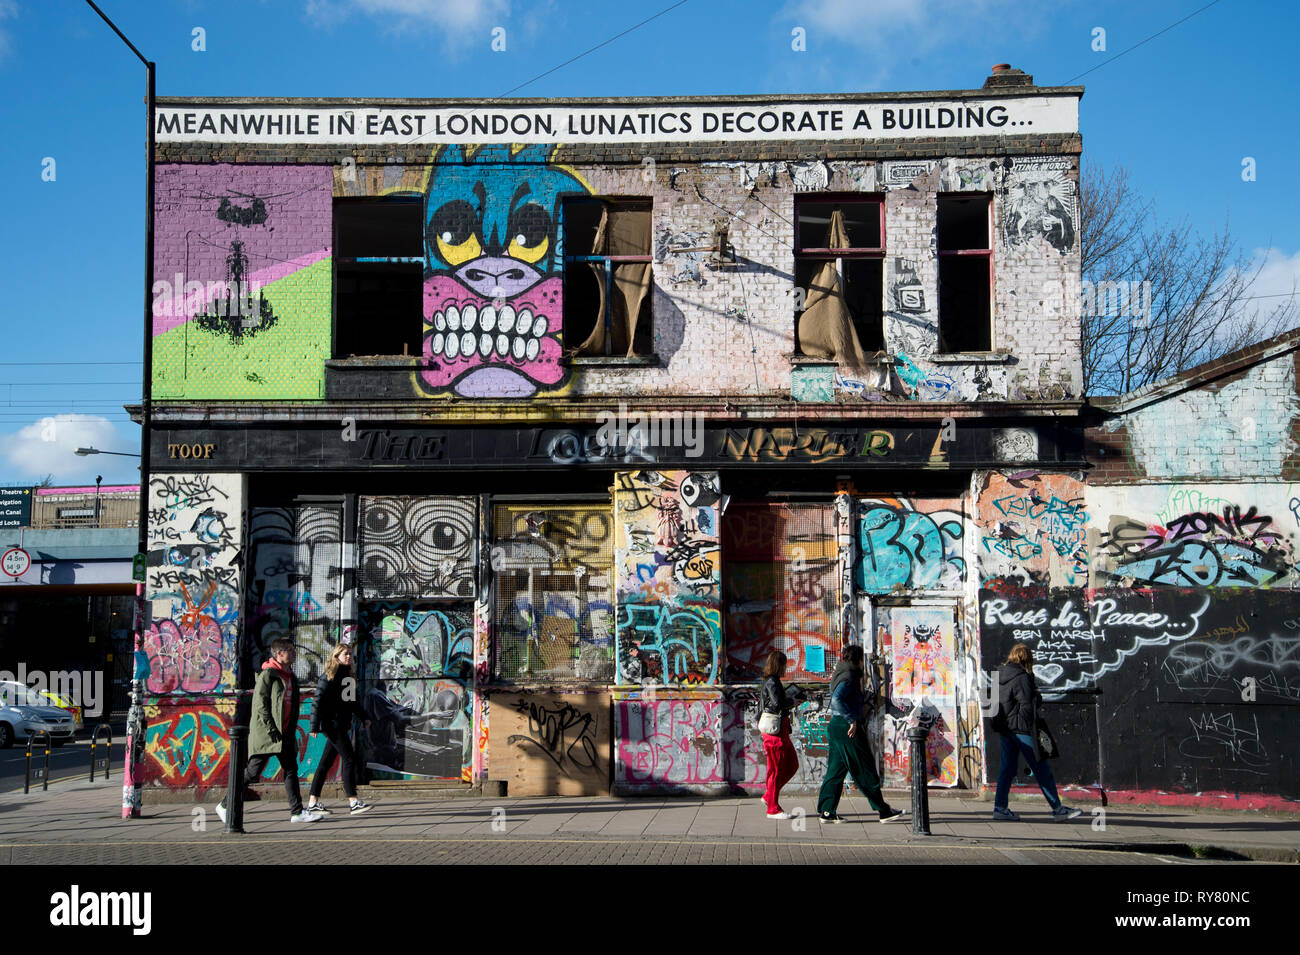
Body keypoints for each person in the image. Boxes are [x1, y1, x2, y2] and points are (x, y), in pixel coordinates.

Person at [217, 638, 322, 824]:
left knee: (291, 770)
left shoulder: (290, 677)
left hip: (285, 734)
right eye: (289, 650)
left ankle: (297, 812)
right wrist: (271, 728)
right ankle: (225, 804)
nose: (294, 653)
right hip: (268, 734)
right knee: (252, 772)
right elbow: (260, 706)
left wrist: (289, 729)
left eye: (293, 649)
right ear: (279, 654)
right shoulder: (269, 675)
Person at [991, 643, 1082, 822]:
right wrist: (1036, 698)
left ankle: (1000, 808)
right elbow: (1028, 705)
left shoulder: (997, 676)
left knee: (1007, 769)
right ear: (1027, 659)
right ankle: (1057, 809)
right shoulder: (1023, 677)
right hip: (1022, 729)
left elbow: (995, 704)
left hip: (1005, 729)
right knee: (1041, 768)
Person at [816, 645, 906, 824]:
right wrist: (852, 720)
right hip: (846, 728)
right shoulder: (850, 675)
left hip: (836, 725)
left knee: (836, 769)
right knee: (864, 768)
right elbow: (837, 699)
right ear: (859, 661)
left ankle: (827, 811)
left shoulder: (841, 672)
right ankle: (883, 810)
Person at [306, 643, 372, 816]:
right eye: (345, 654)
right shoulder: (328, 676)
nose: (349, 657)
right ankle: (353, 801)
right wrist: (314, 725)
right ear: (336, 657)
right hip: (332, 725)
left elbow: (353, 702)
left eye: (350, 654)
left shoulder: (348, 677)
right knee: (349, 759)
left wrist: (364, 717)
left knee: (325, 763)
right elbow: (317, 701)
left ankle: (313, 802)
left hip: (342, 725)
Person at [759, 650, 801, 820]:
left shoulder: (774, 681)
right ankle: (773, 809)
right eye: (784, 665)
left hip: (781, 730)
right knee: (776, 769)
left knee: (792, 764)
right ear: (779, 665)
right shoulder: (772, 682)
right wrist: (793, 701)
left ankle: (769, 796)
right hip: (774, 732)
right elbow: (777, 704)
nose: (786, 668)